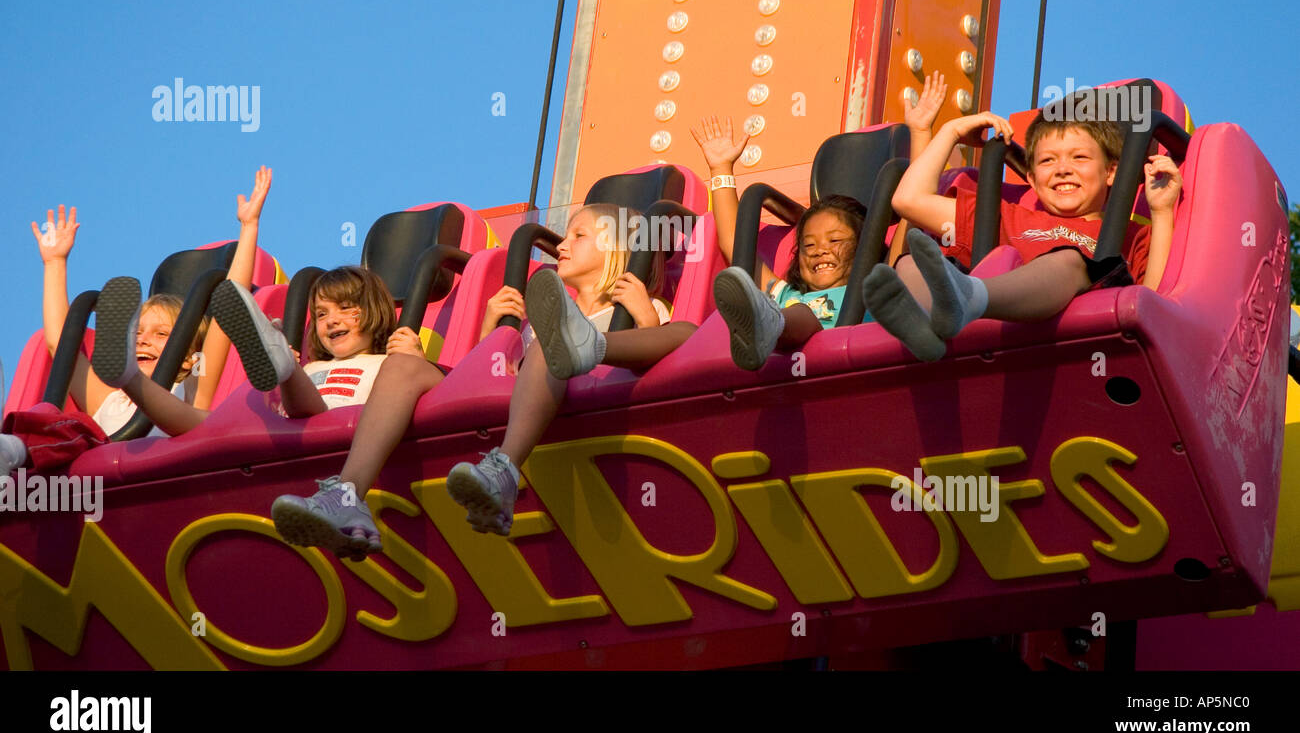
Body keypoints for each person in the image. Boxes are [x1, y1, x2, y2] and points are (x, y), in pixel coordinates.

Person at [0, 169, 273, 479]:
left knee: (198, 419)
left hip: (182, 448)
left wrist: (249, 226)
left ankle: (128, 381)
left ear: (187, 356)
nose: (144, 340)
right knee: (66, 427)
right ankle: (11, 451)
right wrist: (54, 263)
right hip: (103, 480)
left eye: (160, 334)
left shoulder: (192, 383)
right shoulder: (109, 399)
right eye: (137, 333)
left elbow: (227, 312)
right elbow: (59, 344)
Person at [445, 203, 697, 537]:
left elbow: (659, 369)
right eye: (565, 237)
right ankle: (503, 468)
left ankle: (504, 468)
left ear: (618, 252)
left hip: (612, 418)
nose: (561, 246)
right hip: (555, 428)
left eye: (578, 236)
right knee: (547, 344)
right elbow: (494, 381)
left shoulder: (645, 308)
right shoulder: (541, 323)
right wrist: (491, 334)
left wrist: (646, 319)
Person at [862, 104, 1182, 361]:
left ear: (1111, 171)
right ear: (1030, 177)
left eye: (1079, 157)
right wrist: (952, 131)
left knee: (1068, 261)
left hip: (1077, 334)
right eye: (1047, 161)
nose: (1062, 168)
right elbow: (909, 200)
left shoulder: (1127, 234)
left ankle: (968, 298)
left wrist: (1161, 211)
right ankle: (927, 330)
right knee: (909, 261)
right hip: (987, 329)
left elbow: (1151, 300)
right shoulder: (1008, 216)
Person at [689, 102, 958, 371]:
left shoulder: (877, 284)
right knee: (696, 327)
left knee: (803, 314)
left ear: (865, 247)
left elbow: (913, 211)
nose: (819, 250)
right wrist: (721, 169)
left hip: (852, 361)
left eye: (835, 241)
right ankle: (760, 329)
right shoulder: (786, 296)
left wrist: (920, 132)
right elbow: (737, 246)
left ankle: (769, 327)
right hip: (789, 364)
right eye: (808, 245)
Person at [205, 266, 427, 559]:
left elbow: (444, 395)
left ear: (375, 311)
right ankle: (133, 381)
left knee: (402, 369)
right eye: (321, 314)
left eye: (346, 308)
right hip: (301, 431)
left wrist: (417, 358)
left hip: (347, 430)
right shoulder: (313, 368)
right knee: (208, 424)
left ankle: (281, 359)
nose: (331, 320)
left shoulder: (389, 362)